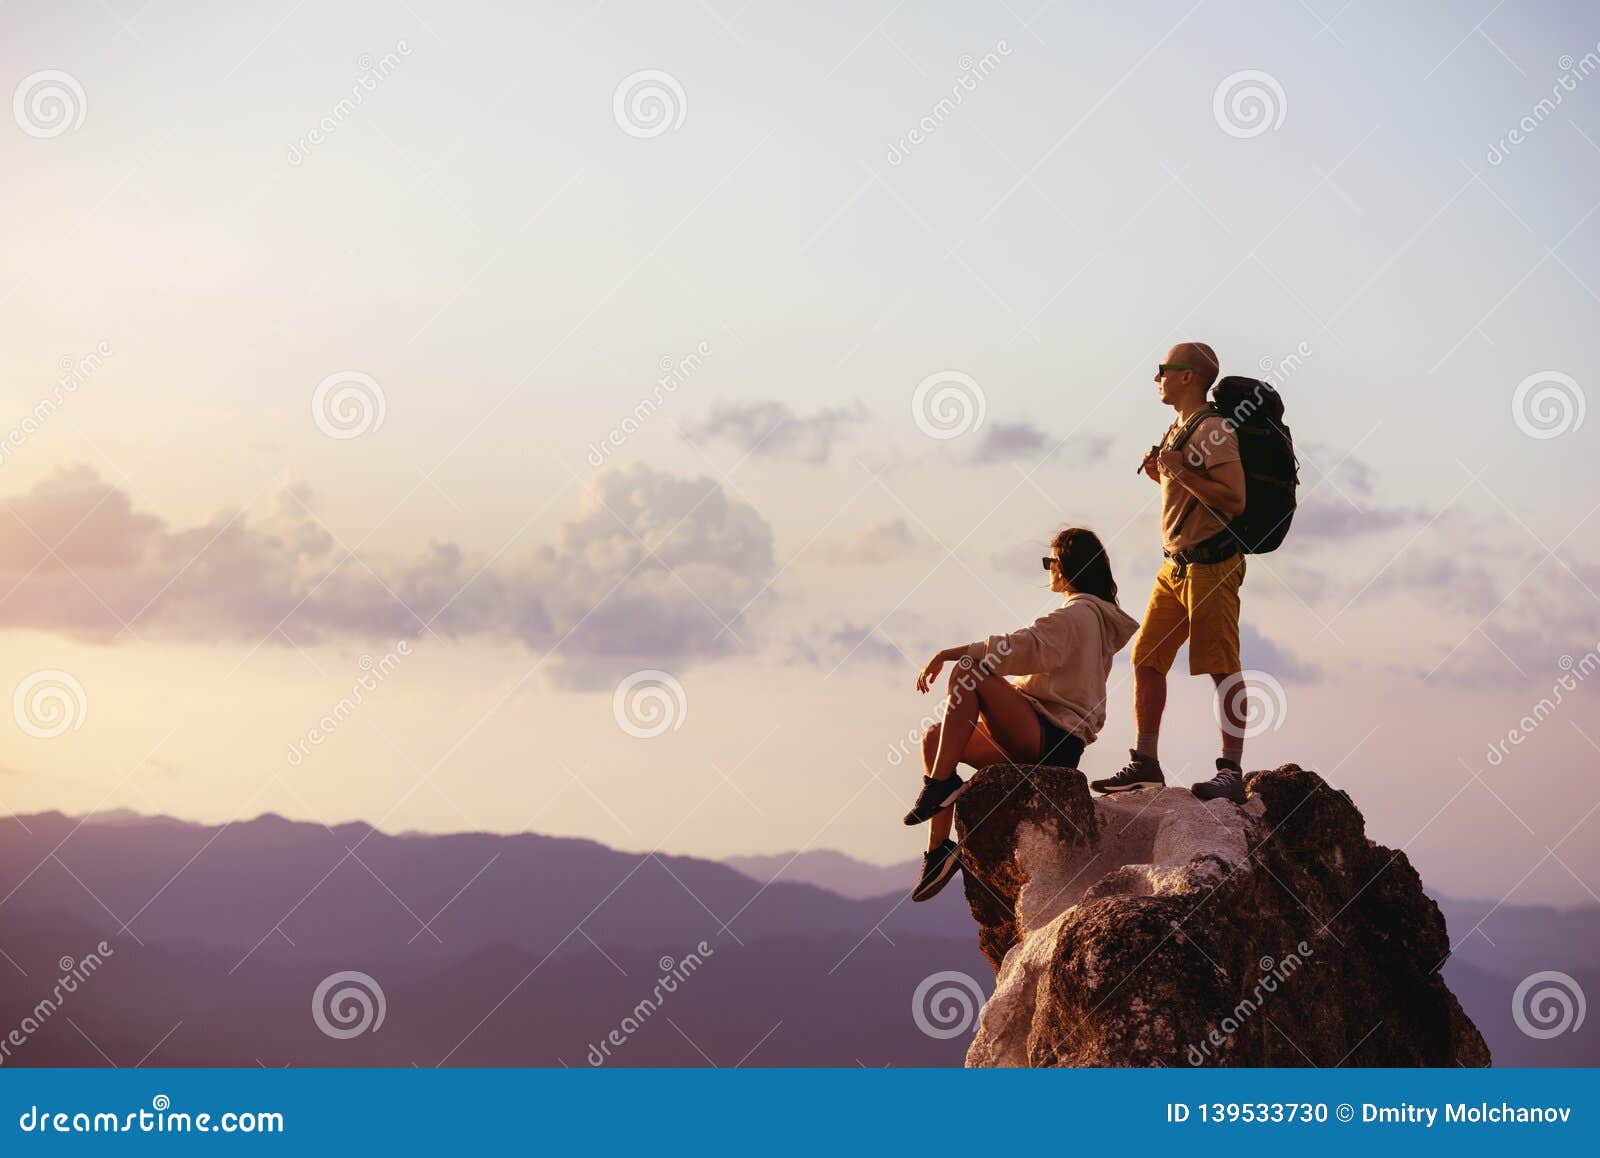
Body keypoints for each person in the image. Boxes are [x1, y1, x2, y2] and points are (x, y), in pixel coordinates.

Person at [901, 527, 1138, 902]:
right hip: (1041, 731)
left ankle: (941, 786)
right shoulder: (1087, 616)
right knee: (934, 737)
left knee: (968, 669)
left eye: (1051, 562)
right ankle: (938, 851)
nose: (1048, 570)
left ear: (1066, 568)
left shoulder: (1076, 614)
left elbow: (1020, 649)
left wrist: (949, 652)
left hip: (1051, 736)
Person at [1091, 341, 1250, 804]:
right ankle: (1146, 764)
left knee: (1222, 668)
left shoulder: (1214, 429)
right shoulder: (1180, 427)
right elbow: (1191, 488)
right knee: (1146, 659)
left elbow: (1234, 500)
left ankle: (1231, 770)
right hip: (1174, 566)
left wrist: (1178, 474)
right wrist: (1162, 474)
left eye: (1163, 369)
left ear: (1188, 376)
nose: (1156, 377)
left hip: (1212, 565)